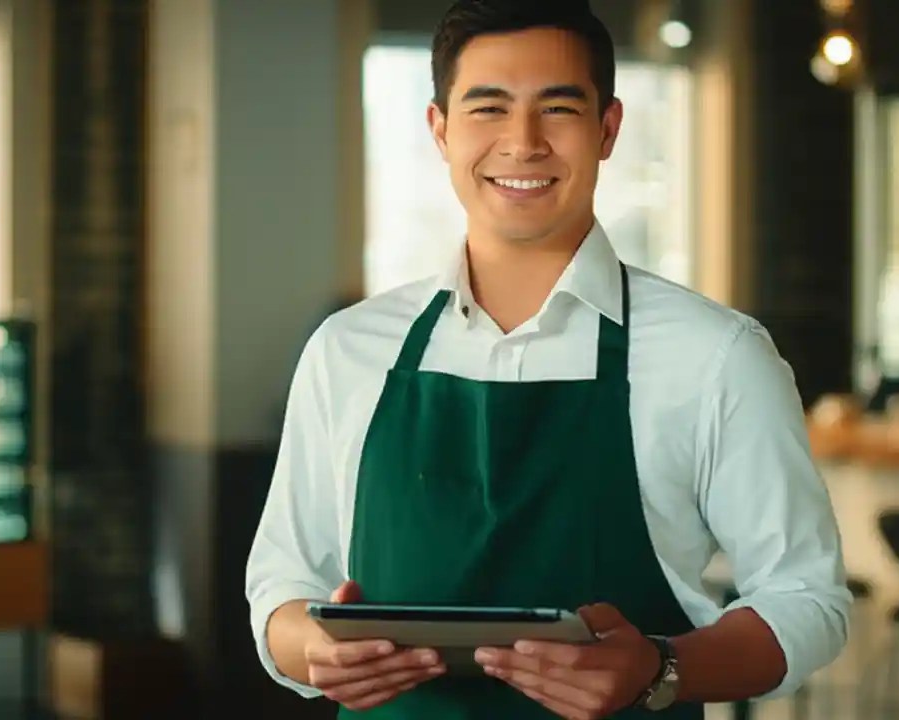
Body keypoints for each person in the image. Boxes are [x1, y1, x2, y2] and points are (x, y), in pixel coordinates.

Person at [245, 1, 851, 717]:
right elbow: (283, 586)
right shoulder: (347, 351)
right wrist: (311, 650)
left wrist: (662, 667)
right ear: (440, 131)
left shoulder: (716, 357)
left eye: (557, 109)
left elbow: (806, 598)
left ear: (608, 128)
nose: (522, 142)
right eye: (488, 109)